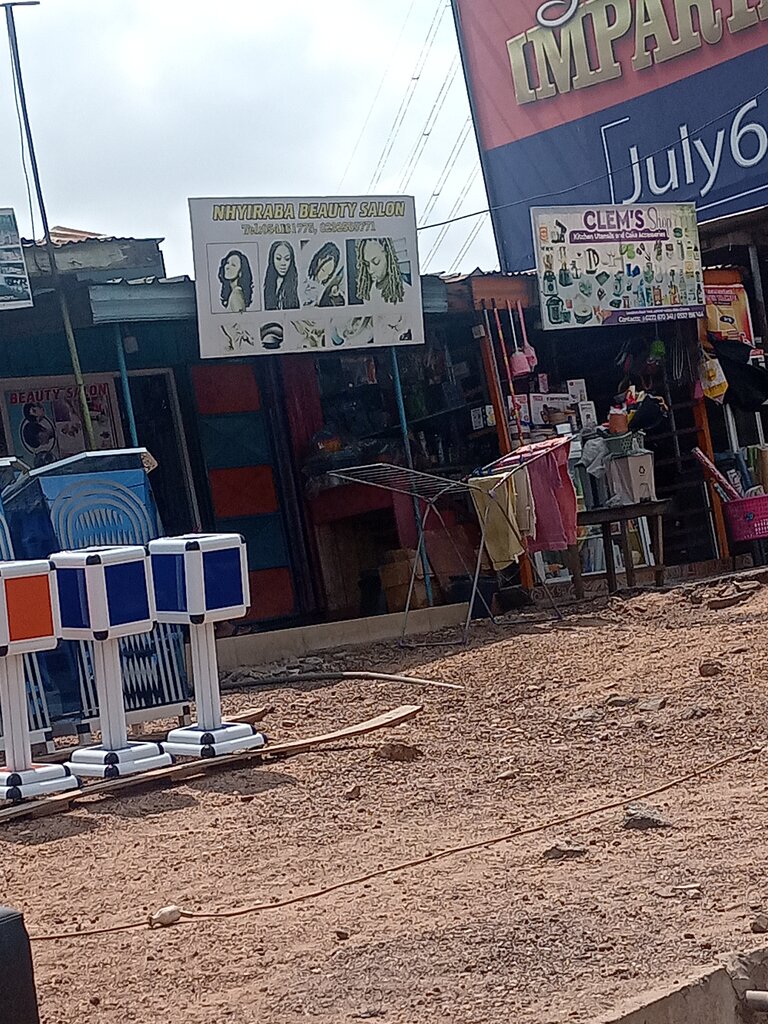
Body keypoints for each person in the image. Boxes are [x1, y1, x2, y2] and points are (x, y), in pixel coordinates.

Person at [354, 238, 405, 304]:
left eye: (376, 261)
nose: (370, 270)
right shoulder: (369, 292)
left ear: (387, 256)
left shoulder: (408, 292)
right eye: (367, 264)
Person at [306, 242, 345, 307]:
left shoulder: (324, 289)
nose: (324, 277)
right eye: (323, 270)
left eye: (328, 274)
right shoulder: (305, 280)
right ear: (319, 261)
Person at [263, 241, 299, 310]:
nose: (283, 263)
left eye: (287, 259)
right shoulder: (269, 285)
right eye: (278, 258)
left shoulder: (294, 285)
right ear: (272, 259)